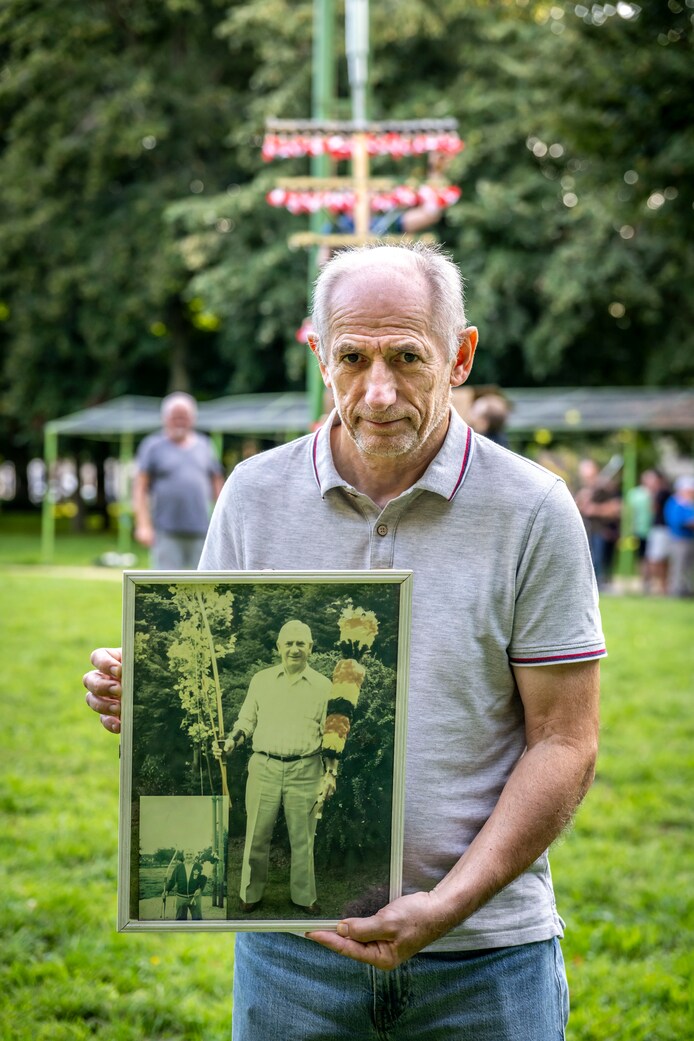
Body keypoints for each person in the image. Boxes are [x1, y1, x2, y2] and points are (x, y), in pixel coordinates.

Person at [84, 242, 605, 1041]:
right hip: (294, 955)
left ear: (460, 355)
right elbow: (216, 693)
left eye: (408, 357)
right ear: (319, 354)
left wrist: (448, 904)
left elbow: (565, 740)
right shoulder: (254, 495)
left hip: (487, 957)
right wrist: (150, 696)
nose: (379, 391)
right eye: (354, 358)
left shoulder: (533, 509)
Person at [215, 620, 332, 915]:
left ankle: (304, 897)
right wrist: (231, 742)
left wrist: (331, 773)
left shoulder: (323, 686)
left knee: (303, 839)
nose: (294, 649)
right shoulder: (261, 680)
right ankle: (250, 893)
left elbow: (332, 737)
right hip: (264, 767)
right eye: (289, 643)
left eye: (301, 643)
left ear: (310, 648)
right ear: (279, 646)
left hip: (306, 770)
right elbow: (246, 720)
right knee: (256, 834)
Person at [133, 391, 225, 568]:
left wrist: (222, 524)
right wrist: (143, 525)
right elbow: (140, 488)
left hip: (202, 530)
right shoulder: (152, 446)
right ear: (165, 418)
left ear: (193, 419)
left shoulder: (205, 445)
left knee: (203, 581)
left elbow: (217, 484)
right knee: (166, 583)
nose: (180, 421)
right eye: (175, 416)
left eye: (184, 416)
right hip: (166, 531)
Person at [574, 458, 622, 589]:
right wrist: (581, 499)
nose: (587, 479)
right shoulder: (582, 489)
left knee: (600, 560)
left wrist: (595, 509)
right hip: (584, 531)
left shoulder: (606, 488)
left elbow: (617, 508)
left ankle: (602, 584)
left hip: (602, 531)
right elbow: (574, 508)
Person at [164, 848, 216, 921]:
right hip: (181, 897)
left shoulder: (198, 866)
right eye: (187, 854)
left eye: (191, 854)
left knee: (197, 918)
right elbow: (172, 880)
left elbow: (203, 880)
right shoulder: (178, 867)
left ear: (194, 855)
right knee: (180, 919)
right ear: (184, 856)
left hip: (195, 897)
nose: (189, 856)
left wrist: (200, 889)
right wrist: (167, 890)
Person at [663, 475, 694, 597]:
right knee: (678, 565)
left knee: (689, 567)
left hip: (690, 538)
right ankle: (676, 590)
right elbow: (675, 521)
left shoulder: (690, 503)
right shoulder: (675, 502)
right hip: (679, 539)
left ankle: (688, 589)